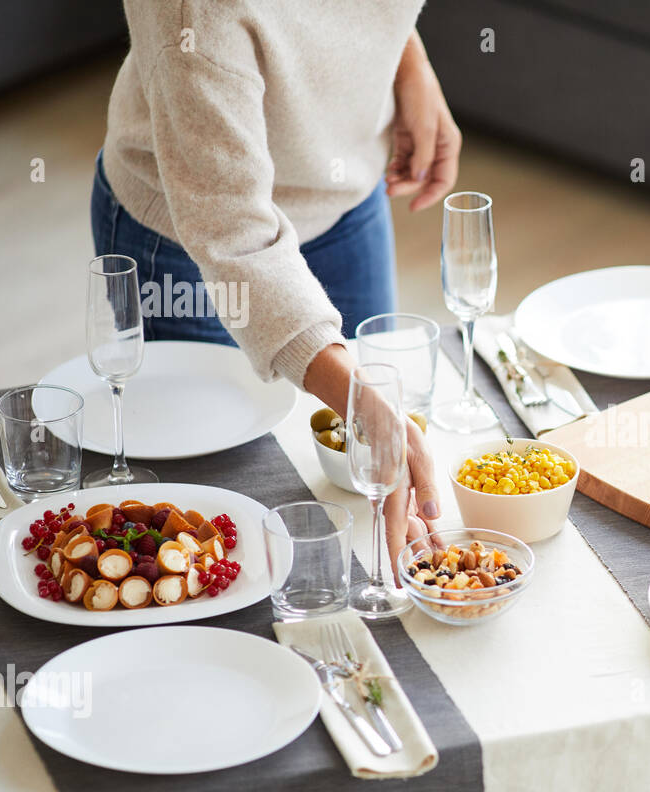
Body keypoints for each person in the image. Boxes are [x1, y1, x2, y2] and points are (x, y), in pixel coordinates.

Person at [91, 2, 457, 579]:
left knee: (368, 481)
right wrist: (355, 394)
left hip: (343, 192)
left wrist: (411, 63)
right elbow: (234, 232)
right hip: (192, 234)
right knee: (207, 533)